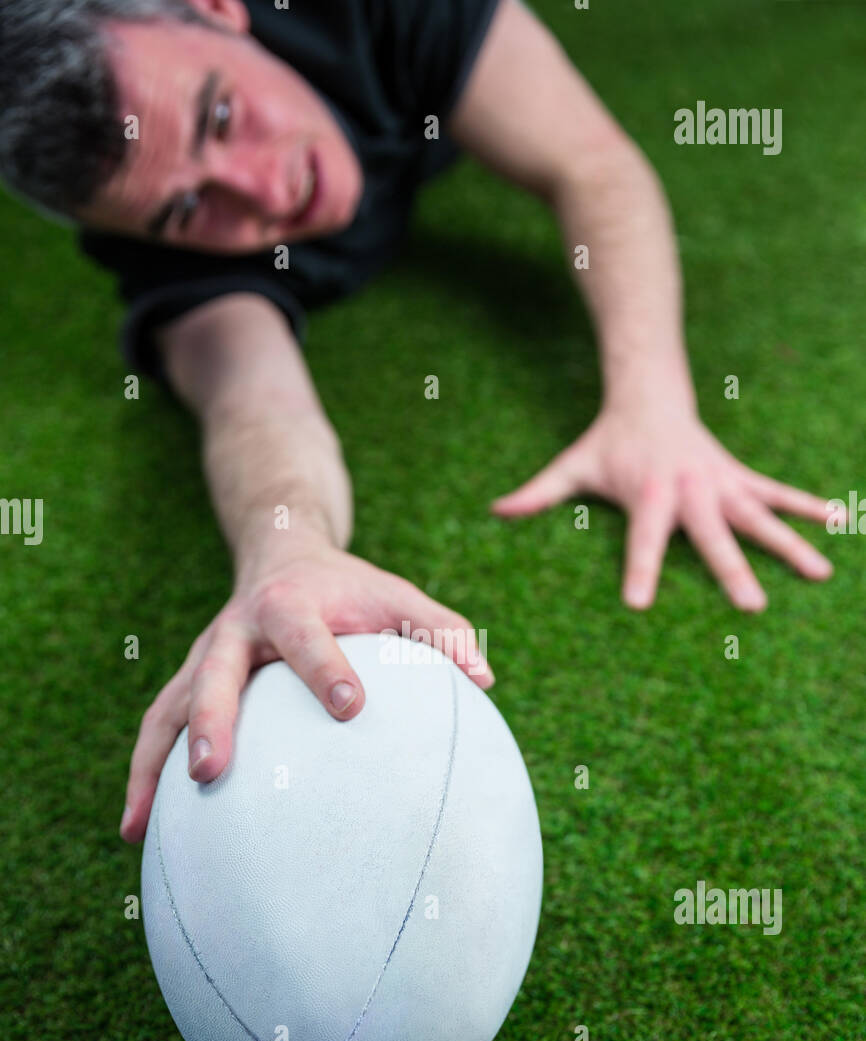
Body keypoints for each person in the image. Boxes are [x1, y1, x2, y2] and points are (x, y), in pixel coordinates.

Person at [0, 0, 840, 844]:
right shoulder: (152, 240)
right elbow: (255, 404)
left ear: (219, 9)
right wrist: (287, 552)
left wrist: (652, 405)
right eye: (189, 210)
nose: (260, 192)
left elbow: (591, 165)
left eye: (221, 114)